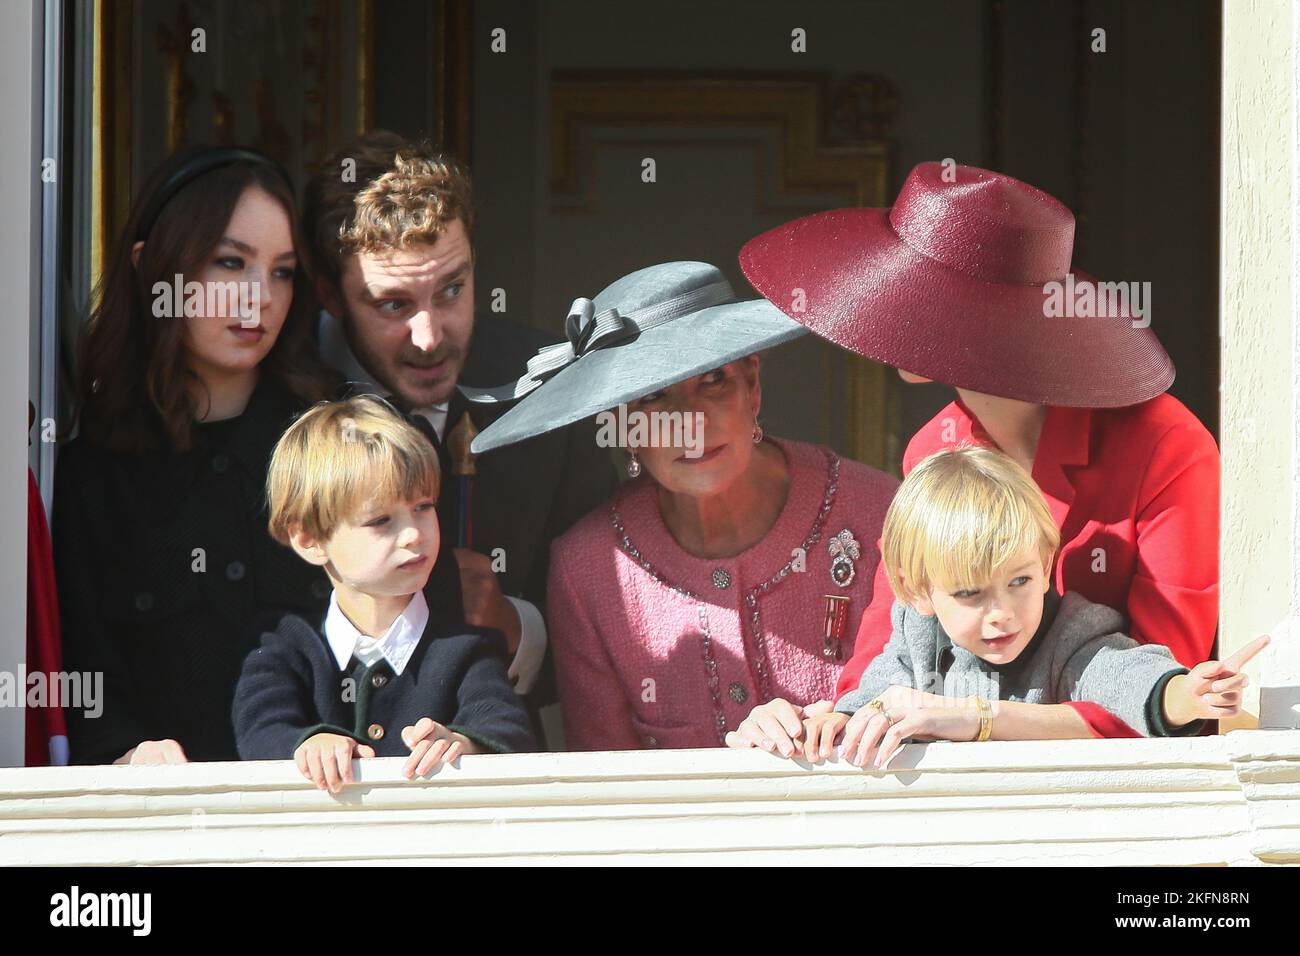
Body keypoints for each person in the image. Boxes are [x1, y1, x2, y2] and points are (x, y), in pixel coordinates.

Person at [730, 161, 1220, 750]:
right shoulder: (931, 450)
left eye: (909, 287)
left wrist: (980, 721)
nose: (883, 307)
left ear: (976, 317)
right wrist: (829, 722)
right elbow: (892, 649)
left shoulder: (1166, 445)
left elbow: (1165, 703)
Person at [469, 261, 900, 751]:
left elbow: (917, 710)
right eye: (654, 397)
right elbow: (611, 787)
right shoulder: (587, 569)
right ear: (623, 423)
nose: (688, 422)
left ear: (752, 386)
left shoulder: (882, 515)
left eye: (712, 381)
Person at [302, 131, 617, 726]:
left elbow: (617, 622)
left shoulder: (549, 390)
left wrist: (516, 627)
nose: (430, 337)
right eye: (393, 305)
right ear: (330, 297)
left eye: (452, 290)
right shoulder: (280, 402)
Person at [53, 147, 342, 765]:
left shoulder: (335, 436)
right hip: (166, 838)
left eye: (283, 271)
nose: (260, 297)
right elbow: (83, 676)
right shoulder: (90, 474)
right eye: (231, 262)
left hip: (333, 819)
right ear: (152, 270)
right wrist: (127, 754)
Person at [799, 446, 1265, 769]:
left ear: (1046, 566)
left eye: (1018, 581)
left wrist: (1185, 695)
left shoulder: (1071, 633)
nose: (1001, 612)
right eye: (969, 594)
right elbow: (881, 691)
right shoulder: (916, 630)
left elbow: (1125, 676)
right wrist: (838, 722)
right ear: (916, 590)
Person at [233, 397, 535, 792]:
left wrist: (464, 743)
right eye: (381, 520)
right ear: (309, 540)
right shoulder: (279, 648)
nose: (413, 534)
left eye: (423, 506)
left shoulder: (469, 649)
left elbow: (507, 727)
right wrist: (307, 742)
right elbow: (258, 730)